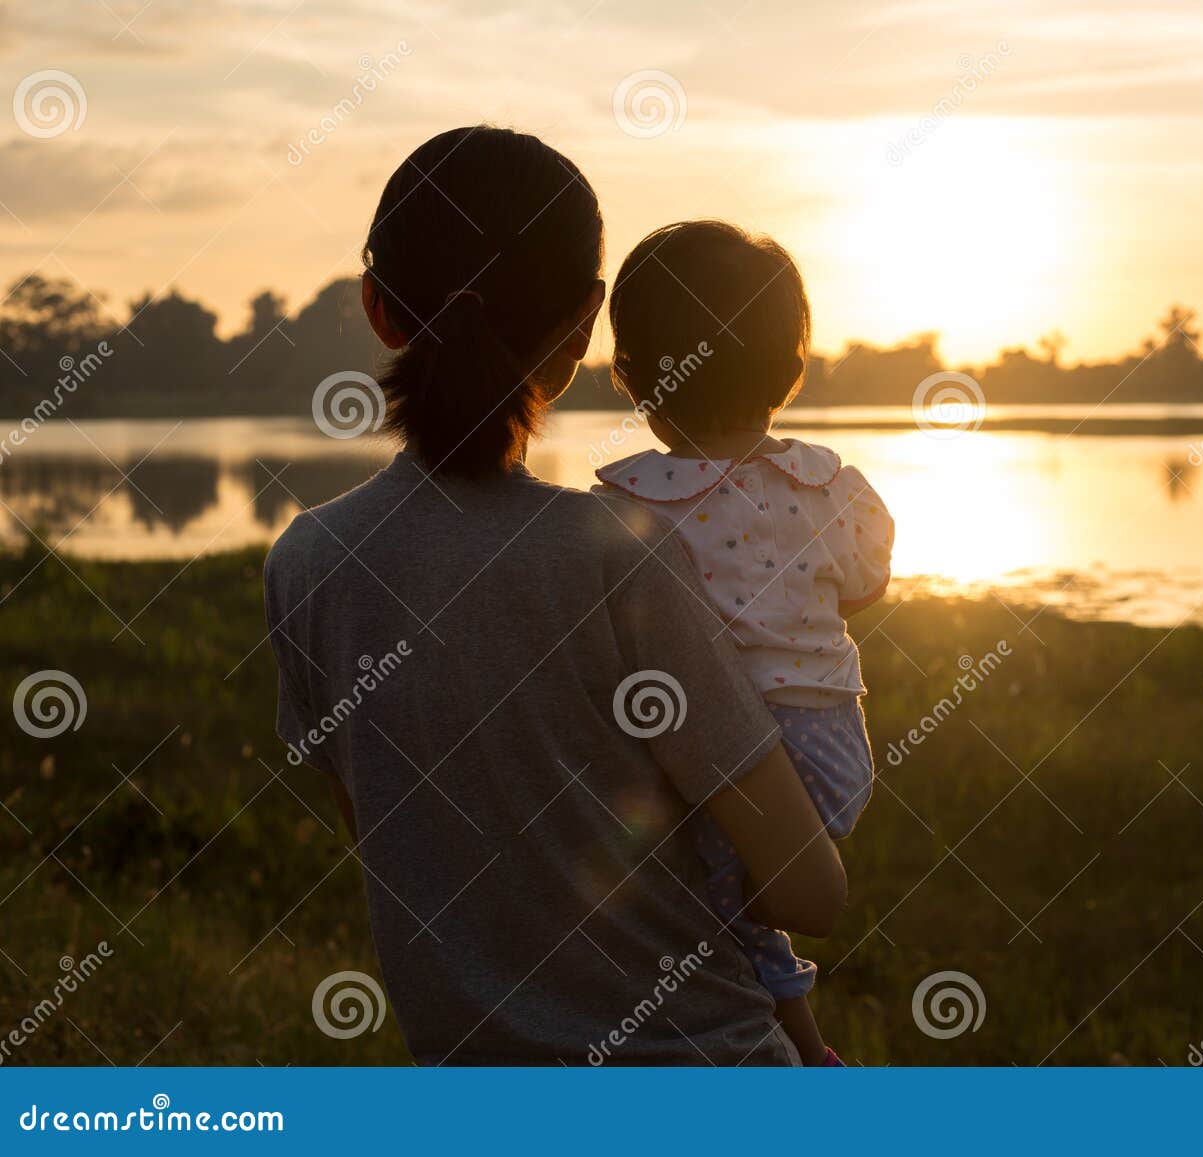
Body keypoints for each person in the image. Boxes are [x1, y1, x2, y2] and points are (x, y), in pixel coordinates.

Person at [264, 127, 845, 1065]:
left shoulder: (307, 564)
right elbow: (810, 894)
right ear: (586, 326)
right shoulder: (619, 555)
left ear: (377, 306)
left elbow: (401, 856)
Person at [596, 220, 894, 1064]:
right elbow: (867, 586)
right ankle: (794, 1040)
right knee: (726, 905)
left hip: (743, 751)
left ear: (632, 376)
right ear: (789, 367)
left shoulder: (631, 504)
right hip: (837, 749)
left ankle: (802, 1043)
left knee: (707, 906)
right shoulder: (828, 483)